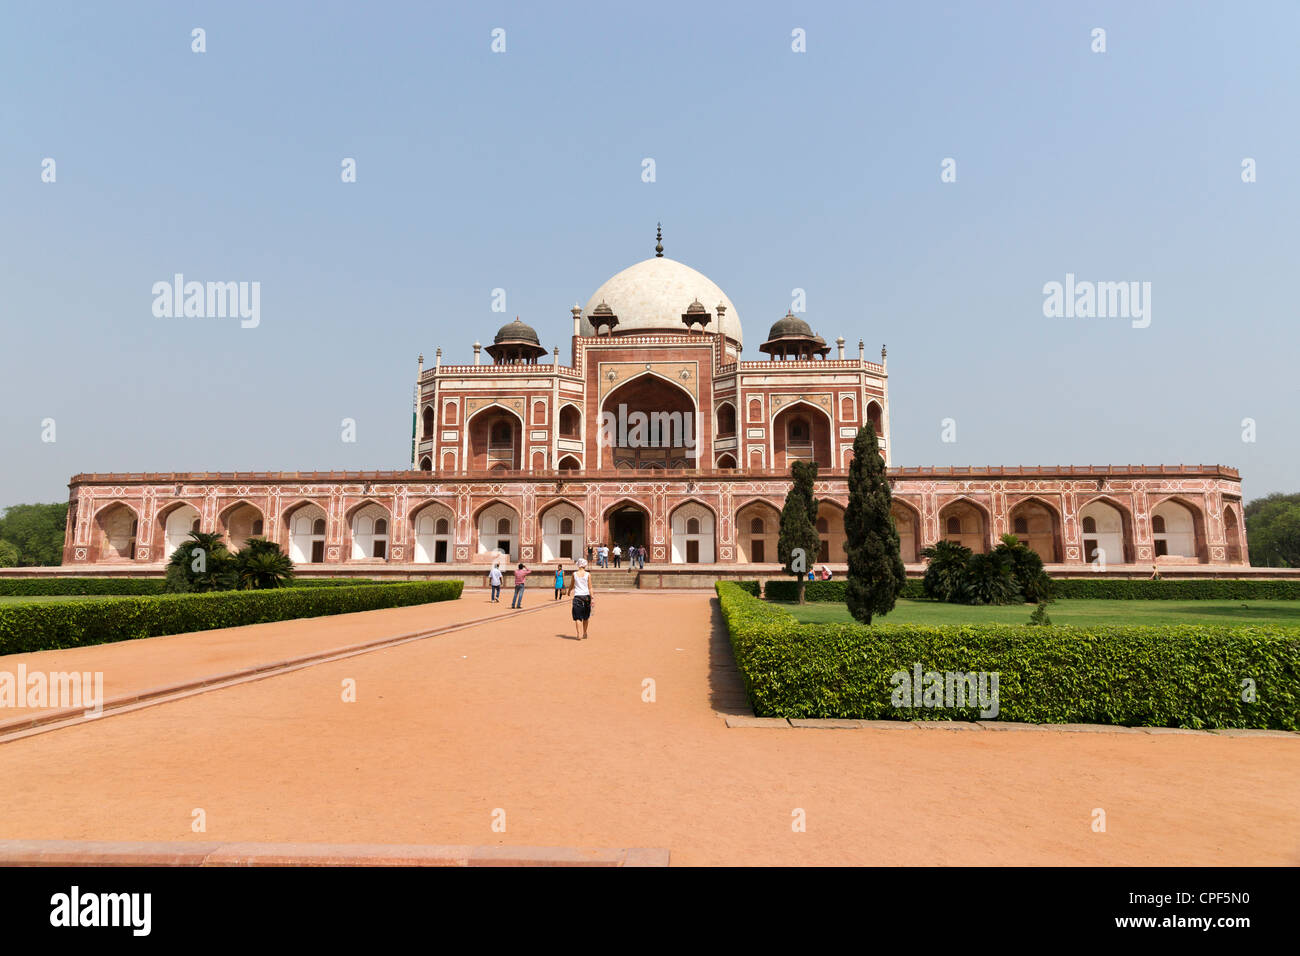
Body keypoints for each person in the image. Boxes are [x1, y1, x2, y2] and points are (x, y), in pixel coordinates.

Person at [571, 558, 593, 640]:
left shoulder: (574, 574)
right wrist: (592, 597)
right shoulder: (588, 574)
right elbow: (590, 587)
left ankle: (579, 634)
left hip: (577, 597)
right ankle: (585, 632)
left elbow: (572, 584)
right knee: (586, 617)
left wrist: (569, 591)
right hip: (586, 597)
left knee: (577, 617)